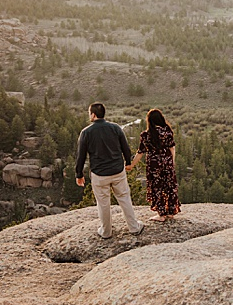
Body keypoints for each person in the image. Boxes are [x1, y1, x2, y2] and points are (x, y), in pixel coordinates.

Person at [75, 102, 144, 239]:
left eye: (90, 113)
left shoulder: (86, 132)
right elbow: (126, 148)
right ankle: (134, 227)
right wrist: (128, 163)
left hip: (99, 174)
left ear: (93, 115)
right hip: (118, 171)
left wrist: (79, 174)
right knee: (124, 199)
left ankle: (106, 232)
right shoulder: (115, 128)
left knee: (103, 203)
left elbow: (81, 156)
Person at [127, 108, 180, 222]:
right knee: (169, 185)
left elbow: (140, 152)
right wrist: (172, 161)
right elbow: (172, 147)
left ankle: (161, 214)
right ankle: (170, 212)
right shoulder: (167, 131)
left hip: (154, 164)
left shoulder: (146, 135)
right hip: (167, 161)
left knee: (157, 187)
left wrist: (131, 165)